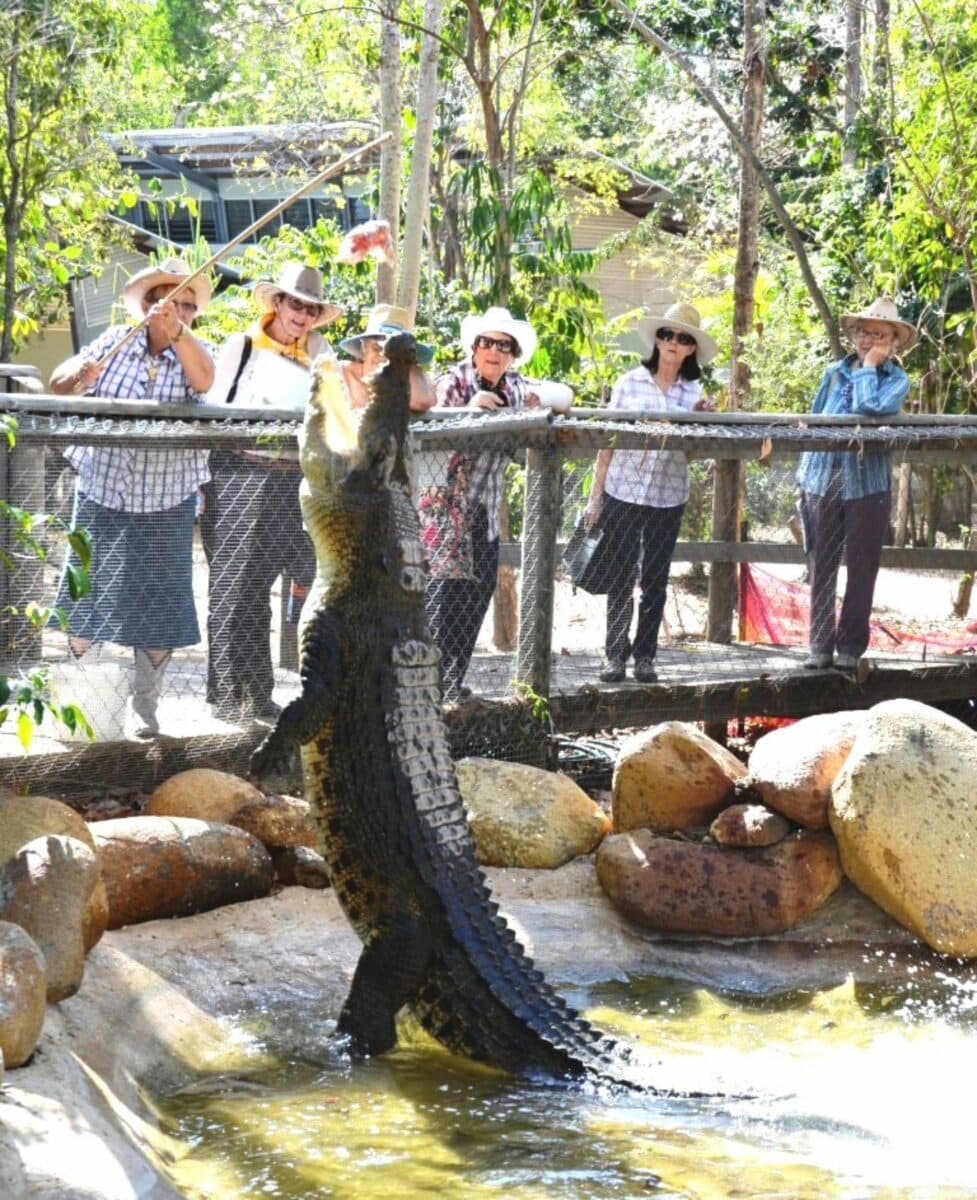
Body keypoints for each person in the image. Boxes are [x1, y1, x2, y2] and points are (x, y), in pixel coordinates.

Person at [49, 256, 215, 738]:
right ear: (147, 305)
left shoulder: (197, 349)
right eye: (171, 301)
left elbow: (205, 380)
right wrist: (80, 373)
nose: (179, 311)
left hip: (168, 495)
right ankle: (82, 703)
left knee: (161, 603)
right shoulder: (113, 341)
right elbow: (59, 385)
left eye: (188, 305)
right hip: (102, 487)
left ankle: (146, 708)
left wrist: (179, 333)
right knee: (84, 593)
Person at [203, 262, 343, 722]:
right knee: (232, 587)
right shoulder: (241, 346)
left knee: (265, 586)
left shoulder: (319, 355)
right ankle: (226, 694)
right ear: (278, 303)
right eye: (295, 304)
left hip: (291, 477)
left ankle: (258, 692)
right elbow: (213, 410)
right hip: (239, 471)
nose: (301, 315)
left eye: (311, 309)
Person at [583, 301, 717, 684]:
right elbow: (607, 440)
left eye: (682, 338)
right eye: (666, 334)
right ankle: (615, 656)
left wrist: (700, 424)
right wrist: (595, 497)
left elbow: (692, 454)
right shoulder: (629, 383)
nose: (673, 342)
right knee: (621, 577)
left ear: (691, 348)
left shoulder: (694, 393)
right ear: (656, 340)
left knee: (655, 580)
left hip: (667, 495)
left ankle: (645, 657)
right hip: (622, 490)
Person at [423, 306, 541, 702]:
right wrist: (468, 412)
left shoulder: (517, 388)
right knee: (443, 598)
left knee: (478, 594)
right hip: (444, 511)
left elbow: (553, 403)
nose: (494, 351)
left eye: (503, 345)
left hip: (485, 509)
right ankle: (430, 684)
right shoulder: (452, 382)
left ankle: (453, 680)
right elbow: (429, 433)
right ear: (474, 348)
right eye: (487, 342)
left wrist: (533, 410)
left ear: (512, 355)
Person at [797, 297, 916, 671]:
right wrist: (804, 474)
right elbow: (816, 418)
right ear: (854, 335)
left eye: (879, 335)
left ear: (893, 342)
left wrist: (868, 368)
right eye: (865, 332)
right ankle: (819, 647)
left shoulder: (896, 380)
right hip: (821, 476)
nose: (870, 340)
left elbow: (870, 409)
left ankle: (849, 649)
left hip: (867, 483)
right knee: (821, 563)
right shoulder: (833, 373)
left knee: (862, 566)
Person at [338, 303, 435, 414]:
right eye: (377, 348)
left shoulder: (402, 383)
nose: (383, 357)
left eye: (393, 351)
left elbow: (423, 401)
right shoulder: (341, 373)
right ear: (364, 347)